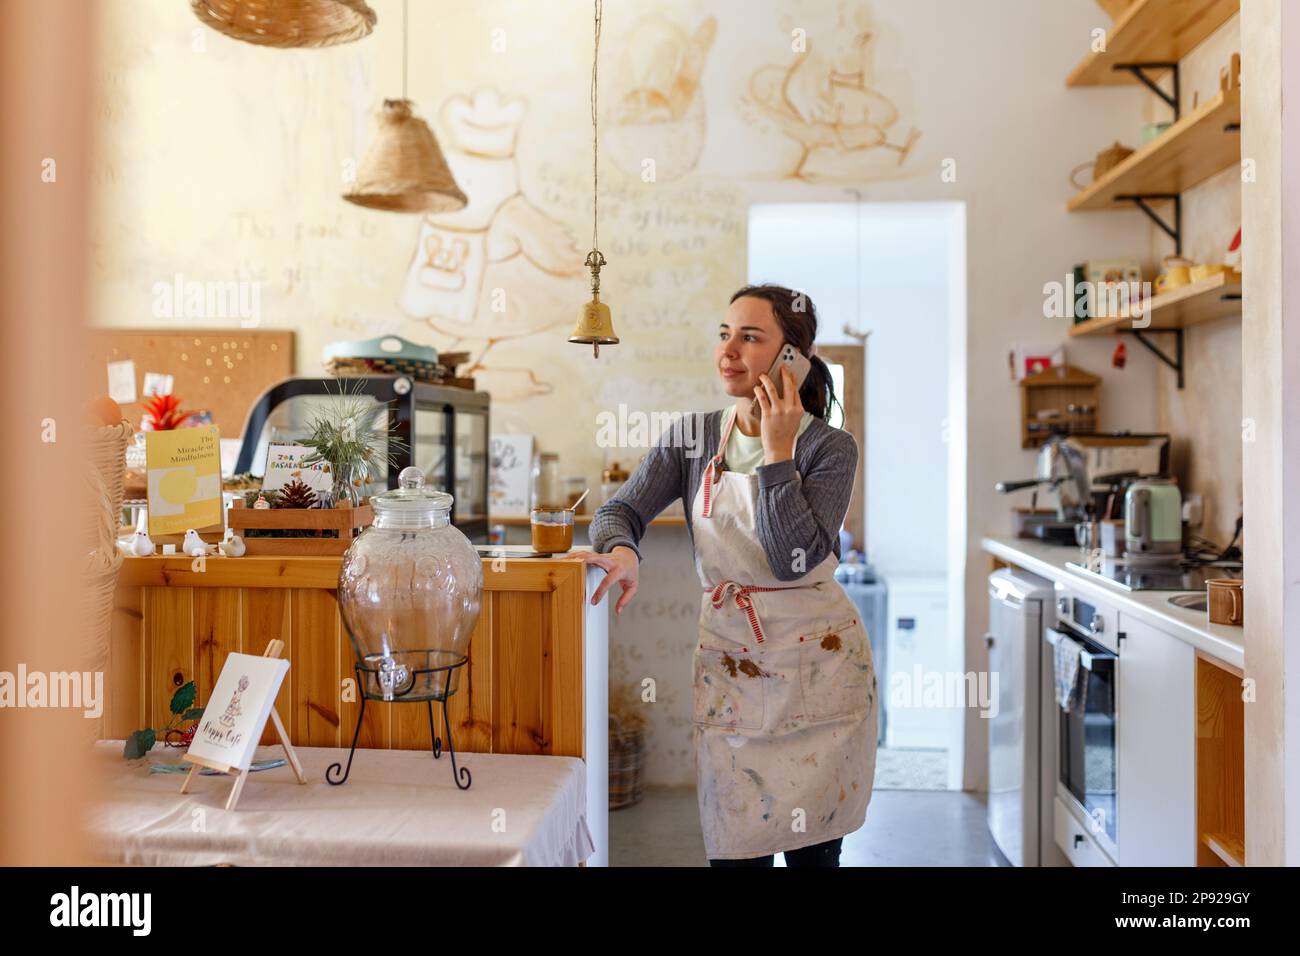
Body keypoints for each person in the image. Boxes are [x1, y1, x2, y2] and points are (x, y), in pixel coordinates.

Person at [572, 283, 878, 867]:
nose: (728, 350)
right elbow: (618, 511)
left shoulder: (831, 449)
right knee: (734, 849)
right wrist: (624, 549)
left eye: (750, 337)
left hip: (820, 668)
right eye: (724, 334)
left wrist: (778, 453)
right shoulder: (693, 438)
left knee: (816, 858)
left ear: (793, 357)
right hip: (733, 664)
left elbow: (792, 557)